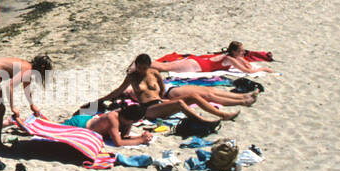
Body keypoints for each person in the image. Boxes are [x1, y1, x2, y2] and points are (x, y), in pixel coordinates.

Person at [94, 54, 241, 123]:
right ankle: (203, 121)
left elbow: (162, 89)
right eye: (139, 67)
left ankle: (223, 115)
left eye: (144, 68)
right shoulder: (132, 77)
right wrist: (101, 99)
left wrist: (162, 98)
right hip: (147, 109)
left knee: (195, 97)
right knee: (179, 104)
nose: (141, 70)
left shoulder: (154, 73)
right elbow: (118, 91)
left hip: (160, 102)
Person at [0, 55, 52, 169]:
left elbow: (27, 89)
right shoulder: (27, 69)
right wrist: (13, 107)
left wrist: (32, 105)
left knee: (0, 110)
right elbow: (10, 86)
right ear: (41, 67)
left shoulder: (28, 69)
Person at [153, 41, 273, 75]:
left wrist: (241, 58)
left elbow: (247, 65)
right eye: (241, 51)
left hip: (199, 63)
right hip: (197, 66)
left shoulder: (233, 57)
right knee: (164, 67)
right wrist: (263, 69)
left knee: (164, 67)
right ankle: (140, 64)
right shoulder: (230, 59)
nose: (244, 52)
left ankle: (143, 64)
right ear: (234, 52)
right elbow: (248, 70)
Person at [66, 105, 153, 147]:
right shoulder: (113, 118)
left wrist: (141, 137)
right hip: (80, 123)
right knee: (56, 128)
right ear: (133, 120)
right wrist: (141, 140)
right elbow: (118, 143)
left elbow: (124, 137)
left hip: (89, 120)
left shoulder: (126, 119)